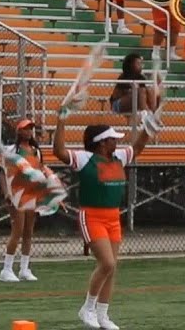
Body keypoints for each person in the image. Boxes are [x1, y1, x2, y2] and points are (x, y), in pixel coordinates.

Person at [52, 112, 151, 330]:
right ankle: (87, 308)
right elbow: (58, 151)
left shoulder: (119, 158)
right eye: (112, 139)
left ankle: (103, 314)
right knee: (107, 263)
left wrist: (149, 127)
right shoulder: (85, 158)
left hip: (113, 216)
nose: (117, 142)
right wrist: (61, 119)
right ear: (101, 143)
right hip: (92, 216)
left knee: (111, 268)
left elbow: (138, 147)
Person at [0, 118, 42, 283]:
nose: (29, 131)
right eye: (26, 128)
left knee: (28, 232)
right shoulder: (12, 150)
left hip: (31, 193)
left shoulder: (35, 151)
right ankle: (7, 268)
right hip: (17, 193)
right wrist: (6, 193)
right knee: (17, 230)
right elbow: (2, 173)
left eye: (31, 128)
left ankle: (25, 268)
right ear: (19, 131)